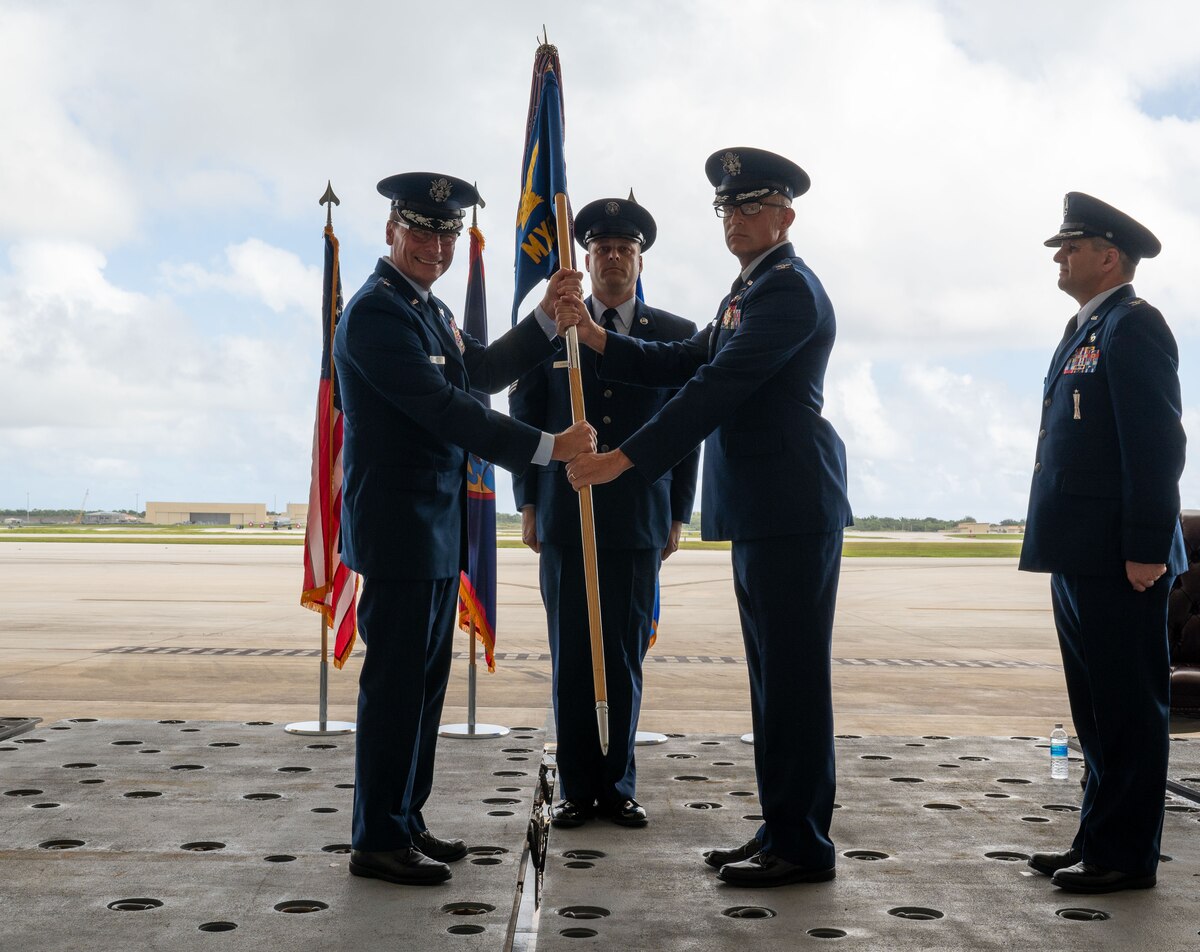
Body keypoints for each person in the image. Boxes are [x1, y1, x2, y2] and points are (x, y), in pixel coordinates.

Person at [561, 148, 852, 886]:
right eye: (727, 209)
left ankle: (803, 845)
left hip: (791, 504)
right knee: (770, 682)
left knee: (792, 681)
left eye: (752, 207)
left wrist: (625, 460)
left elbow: (714, 386)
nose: (736, 220)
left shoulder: (787, 292)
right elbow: (684, 357)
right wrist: (597, 339)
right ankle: (782, 826)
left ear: (786, 216)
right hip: (764, 508)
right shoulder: (747, 290)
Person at [333, 171, 594, 886]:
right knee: (394, 690)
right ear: (390, 230)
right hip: (397, 530)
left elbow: (476, 368)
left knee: (423, 687)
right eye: (421, 229)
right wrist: (548, 446)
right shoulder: (378, 315)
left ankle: (403, 817)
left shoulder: (428, 310)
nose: (435, 245)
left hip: (434, 529)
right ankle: (376, 839)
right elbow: (448, 410)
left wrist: (546, 318)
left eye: (446, 233)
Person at [509, 196, 699, 829]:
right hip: (567, 514)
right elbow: (526, 413)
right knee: (571, 656)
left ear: (639, 261)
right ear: (584, 260)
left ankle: (617, 785)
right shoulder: (553, 325)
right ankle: (575, 788)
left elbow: (685, 427)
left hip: (641, 517)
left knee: (622, 655)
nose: (613, 258)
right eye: (601, 249)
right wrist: (529, 501)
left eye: (625, 249)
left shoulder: (673, 334)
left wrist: (677, 512)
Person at [1020, 192, 1187, 894]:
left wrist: (1147, 545)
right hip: (1080, 551)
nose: (1059, 256)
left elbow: (1157, 444)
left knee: (1127, 712)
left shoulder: (1134, 327)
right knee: (1094, 715)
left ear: (1109, 256)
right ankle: (1096, 839)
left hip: (1123, 556)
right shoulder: (1088, 327)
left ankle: (1123, 858)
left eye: (1071, 246)